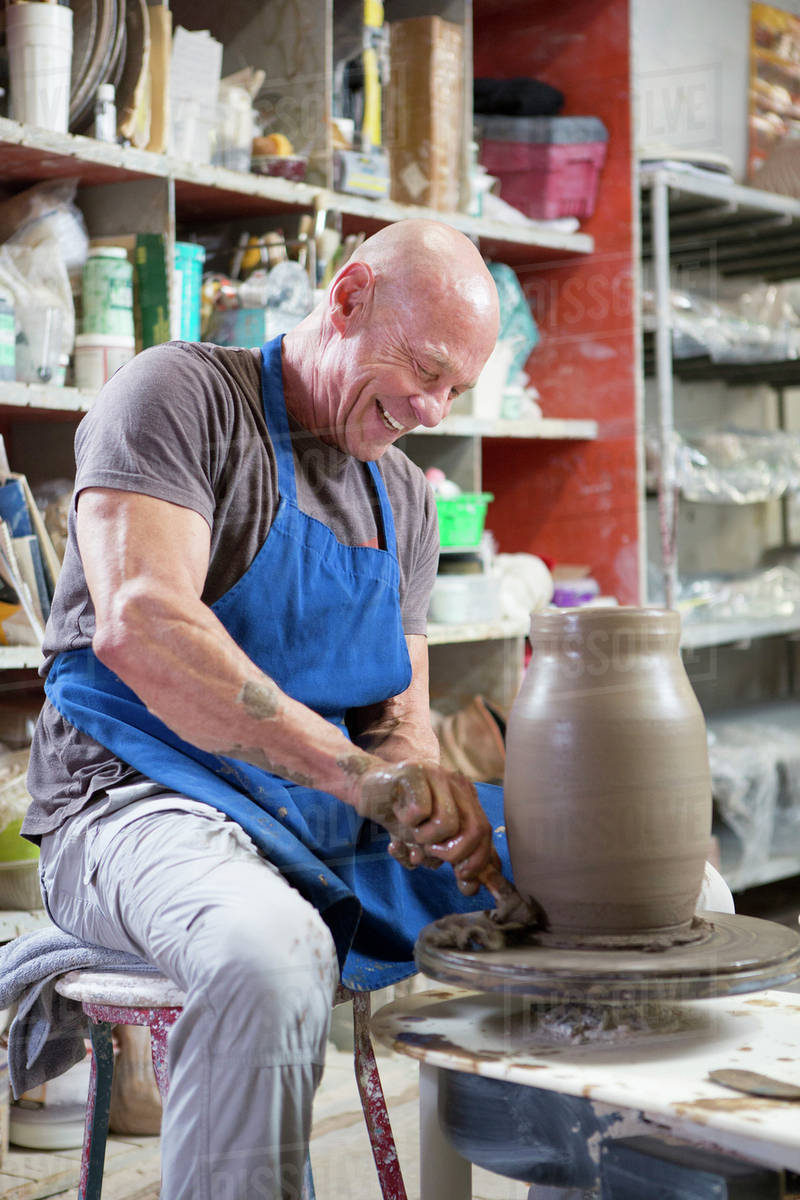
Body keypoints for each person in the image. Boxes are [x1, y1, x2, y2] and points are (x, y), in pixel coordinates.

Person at [22, 218, 514, 1199]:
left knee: (629, 904)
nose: (430, 406)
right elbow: (141, 623)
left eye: (454, 388)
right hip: (133, 802)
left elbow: (395, 720)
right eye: (422, 368)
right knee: (268, 952)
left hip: (314, 817)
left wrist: (421, 792)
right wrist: (363, 779)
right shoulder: (182, 397)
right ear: (347, 297)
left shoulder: (404, 500)